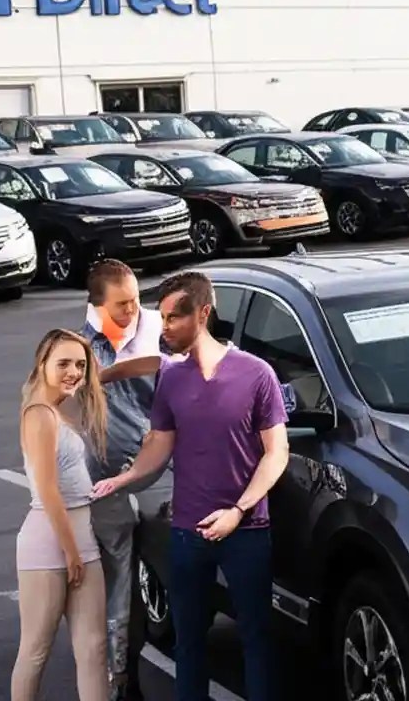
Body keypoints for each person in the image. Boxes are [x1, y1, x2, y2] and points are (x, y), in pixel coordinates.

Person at [93, 271, 290, 701]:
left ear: (203, 313)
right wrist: (124, 479)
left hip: (247, 530)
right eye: (161, 317)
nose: (162, 328)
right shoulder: (173, 378)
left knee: (256, 638)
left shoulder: (257, 375)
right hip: (187, 531)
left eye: (172, 318)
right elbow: (160, 445)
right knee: (189, 642)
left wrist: (238, 511)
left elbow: (276, 453)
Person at [79, 259, 164, 701]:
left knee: (171, 570)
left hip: (163, 471)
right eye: (121, 305)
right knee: (119, 585)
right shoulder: (78, 349)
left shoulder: (155, 327)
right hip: (107, 480)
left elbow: (165, 363)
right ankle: (120, 680)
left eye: (135, 299)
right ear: (96, 304)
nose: (132, 310)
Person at [12, 329, 110, 701]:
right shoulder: (39, 414)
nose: (74, 372)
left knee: (94, 648)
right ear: (42, 365)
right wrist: (70, 552)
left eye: (81, 365)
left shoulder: (56, 412)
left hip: (81, 540)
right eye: (64, 363)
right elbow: (47, 489)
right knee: (35, 651)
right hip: (50, 543)